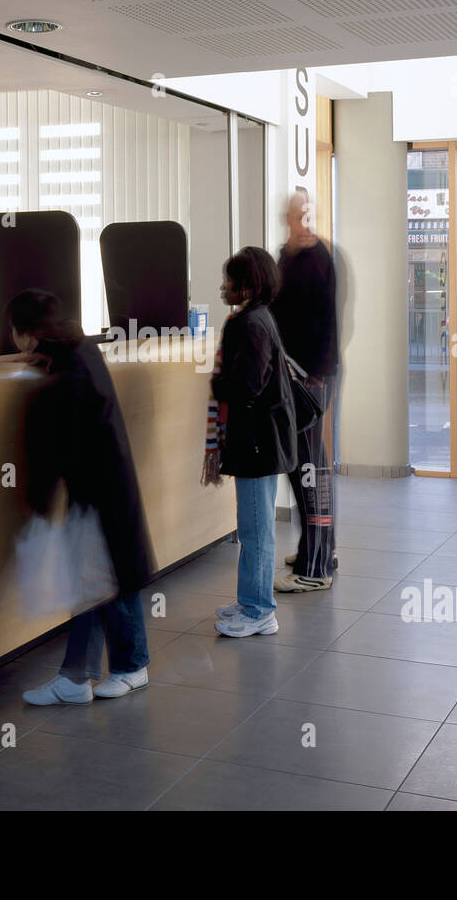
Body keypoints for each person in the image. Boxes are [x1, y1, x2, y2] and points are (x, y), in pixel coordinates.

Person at [10, 290, 154, 705]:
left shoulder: (63, 377)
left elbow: (54, 452)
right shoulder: (81, 349)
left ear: (25, 333)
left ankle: (130, 666)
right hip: (105, 487)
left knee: (105, 581)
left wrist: (36, 510)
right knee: (96, 581)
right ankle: (79, 676)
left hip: (96, 493)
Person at [203, 247, 297, 637]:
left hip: (257, 442)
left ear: (246, 285)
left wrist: (216, 381)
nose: (223, 287)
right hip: (260, 441)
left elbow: (248, 385)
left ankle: (260, 610)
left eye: (229, 280)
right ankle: (249, 600)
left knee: (256, 529)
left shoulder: (249, 324)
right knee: (253, 526)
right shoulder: (258, 319)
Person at [271, 192, 340, 593]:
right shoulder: (288, 254)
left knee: (311, 471)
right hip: (297, 375)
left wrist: (314, 373)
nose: (296, 220)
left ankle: (316, 569)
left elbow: (326, 319)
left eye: (300, 214)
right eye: (291, 214)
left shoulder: (318, 258)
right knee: (308, 468)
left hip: (311, 377)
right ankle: (319, 549)